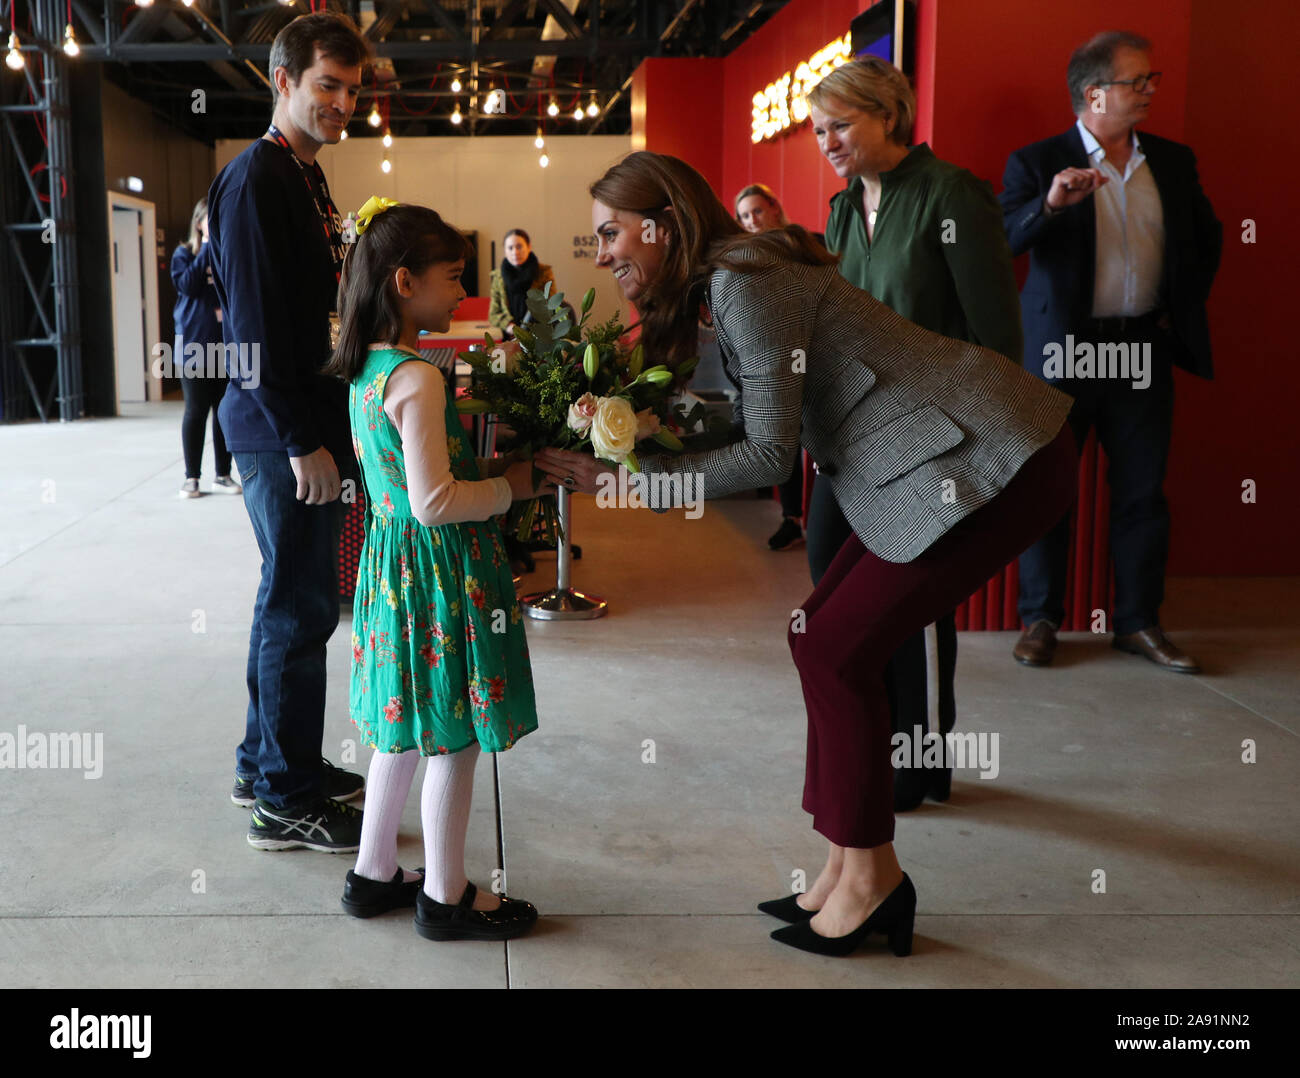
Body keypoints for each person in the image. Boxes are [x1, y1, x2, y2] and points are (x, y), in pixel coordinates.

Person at [537, 151, 1076, 957]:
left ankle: (874, 878)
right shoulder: (733, 278)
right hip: (936, 458)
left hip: (991, 456)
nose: (606, 252)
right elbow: (754, 418)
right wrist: (633, 448)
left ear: (666, 224)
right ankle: (843, 866)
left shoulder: (743, 281)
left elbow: (765, 458)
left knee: (834, 650)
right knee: (816, 638)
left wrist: (630, 485)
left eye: (613, 233)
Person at [324, 198, 547, 939]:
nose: (461, 293)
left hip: (390, 571)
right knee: (452, 734)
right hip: (439, 571)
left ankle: (372, 870)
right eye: (451, 279)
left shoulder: (366, 369)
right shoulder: (418, 376)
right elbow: (435, 502)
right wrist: (512, 488)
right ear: (403, 281)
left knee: (401, 725)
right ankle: (447, 896)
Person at [808, 58, 1025, 811]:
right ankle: (873, 743)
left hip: (932, 439)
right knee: (839, 592)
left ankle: (921, 758)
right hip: (850, 436)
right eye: (817, 129)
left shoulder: (951, 194)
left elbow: (997, 336)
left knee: (915, 605)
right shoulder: (840, 211)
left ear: (888, 115)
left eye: (839, 125)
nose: (825, 141)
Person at [1002, 31, 1221, 673]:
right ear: (1094, 93)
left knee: (1142, 493)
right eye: (1138, 81)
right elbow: (1005, 238)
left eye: (1151, 80)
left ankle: (1137, 624)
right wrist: (1049, 203)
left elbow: (1206, 242)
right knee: (1047, 489)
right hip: (1063, 354)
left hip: (1141, 349)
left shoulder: (1174, 163)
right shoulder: (1038, 161)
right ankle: (1041, 620)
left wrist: (1173, 311)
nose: (1151, 90)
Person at [207, 11, 371, 850]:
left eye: (352, 89)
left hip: (308, 420)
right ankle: (286, 798)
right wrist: (301, 439)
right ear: (283, 81)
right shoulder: (256, 180)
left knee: (289, 602)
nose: (344, 102)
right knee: (300, 611)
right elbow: (253, 325)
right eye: (327, 86)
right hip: (283, 432)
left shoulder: (307, 177)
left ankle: (264, 763)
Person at [733, 183, 805, 552]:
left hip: (812, 353)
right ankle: (791, 517)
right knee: (784, 438)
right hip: (771, 360)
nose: (751, 221)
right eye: (744, 216)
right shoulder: (744, 258)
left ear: (775, 207)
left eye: (757, 211)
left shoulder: (802, 243)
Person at [171, 198, 240, 499]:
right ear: (199, 223)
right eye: (210, 220)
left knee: (223, 411)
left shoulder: (227, 252)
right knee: (196, 411)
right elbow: (187, 286)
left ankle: (222, 475)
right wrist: (208, 248)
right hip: (193, 346)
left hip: (226, 345)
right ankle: (191, 477)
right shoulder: (184, 253)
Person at [488, 228, 557, 338]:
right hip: (509, 337)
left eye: (519, 246)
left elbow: (551, 306)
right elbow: (494, 314)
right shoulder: (498, 276)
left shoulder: (544, 273)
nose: (515, 252)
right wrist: (509, 326)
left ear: (529, 247)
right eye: (510, 248)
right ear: (505, 251)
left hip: (537, 336)